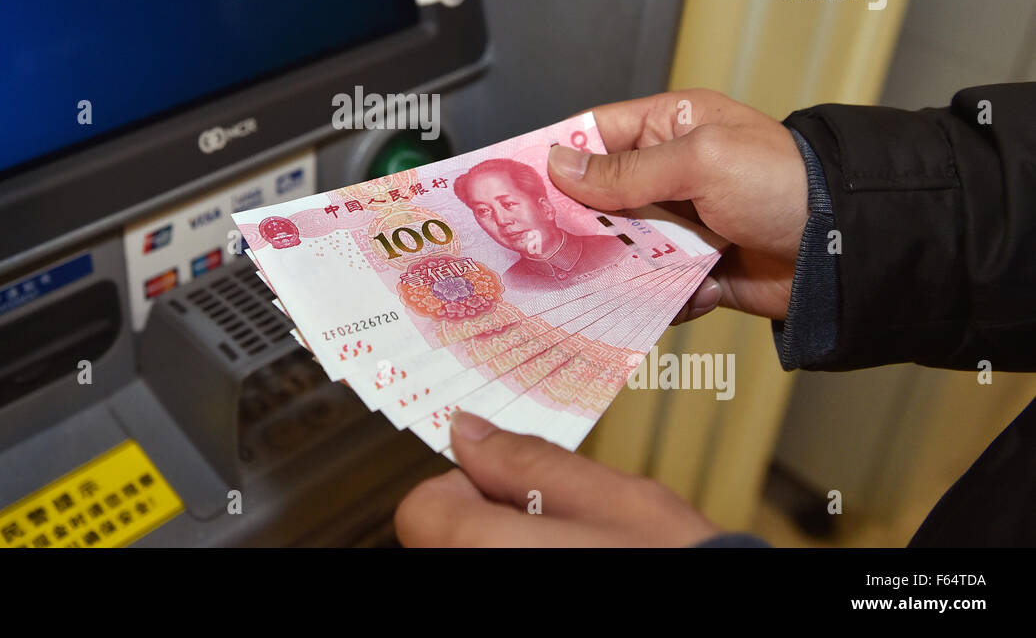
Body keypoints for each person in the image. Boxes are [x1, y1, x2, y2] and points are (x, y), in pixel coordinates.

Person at [395, 84, 1036, 547]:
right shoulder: (507, 280)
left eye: (505, 200)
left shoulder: (590, 251)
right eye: (482, 214)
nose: (496, 220)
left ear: (539, 194)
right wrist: (827, 199)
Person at [453, 158, 629, 292]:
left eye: (509, 204)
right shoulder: (509, 284)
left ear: (545, 208)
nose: (501, 220)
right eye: (484, 211)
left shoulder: (617, 250)